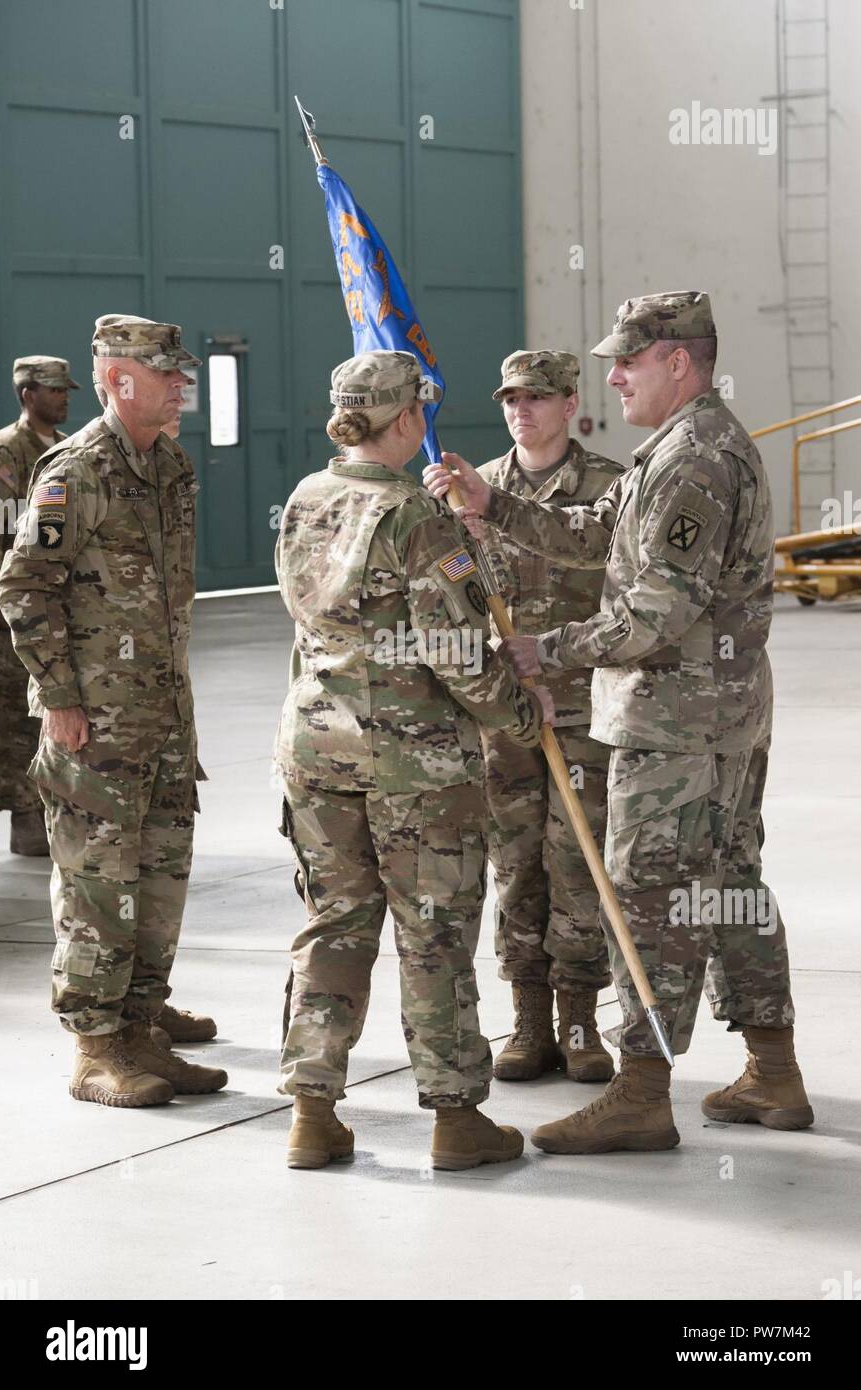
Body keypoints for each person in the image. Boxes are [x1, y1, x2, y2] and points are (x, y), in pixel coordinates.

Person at [424, 291, 813, 1153]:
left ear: (678, 361)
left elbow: (656, 609)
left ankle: (642, 1091)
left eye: (626, 361)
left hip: (677, 725)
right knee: (730, 885)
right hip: (711, 717)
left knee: (648, 898)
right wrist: (494, 506)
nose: (612, 375)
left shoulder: (695, 459)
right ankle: (773, 1071)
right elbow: (598, 533)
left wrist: (550, 649)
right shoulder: (671, 449)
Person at [275, 349, 555, 1170]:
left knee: (333, 923)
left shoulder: (304, 499)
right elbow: (458, 654)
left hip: (314, 749)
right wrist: (518, 709)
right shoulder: (415, 520)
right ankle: (454, 1117)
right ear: (406, 420)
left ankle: (312, 1112)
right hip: (413, 767)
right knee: (431, 935)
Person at [0, 314, 226, 1107]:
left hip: (162, 720)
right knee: (98, 887)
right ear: (119, 379)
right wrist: (57, 696)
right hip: (94, 726)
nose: (180, 385)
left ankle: (140, 1031)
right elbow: (23, 585)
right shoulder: (77, 471)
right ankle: (95, 1050)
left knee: (159, 883)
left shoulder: (169, 464)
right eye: (167, 373)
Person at [476, 350, 625, 1083]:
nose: (520, 410)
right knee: (514, 866)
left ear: (569, 403)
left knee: (577, 865)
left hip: (580, 710)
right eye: (509, 399)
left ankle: (578, 1021)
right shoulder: (471, 489)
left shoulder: (608, 488)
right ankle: (528, 1018)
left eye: (536, 397)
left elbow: (628, 602)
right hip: (501, 716)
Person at [0, 357, 80, 855]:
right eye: (53, 389)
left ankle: (46, 810)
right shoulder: (7, 453)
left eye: (66, 388)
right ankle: (27, 820)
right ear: (27, 394)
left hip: (54, 603)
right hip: (13, 607)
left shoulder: (64, 449)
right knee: (16, 716)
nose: (64, 397)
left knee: (46, 711)